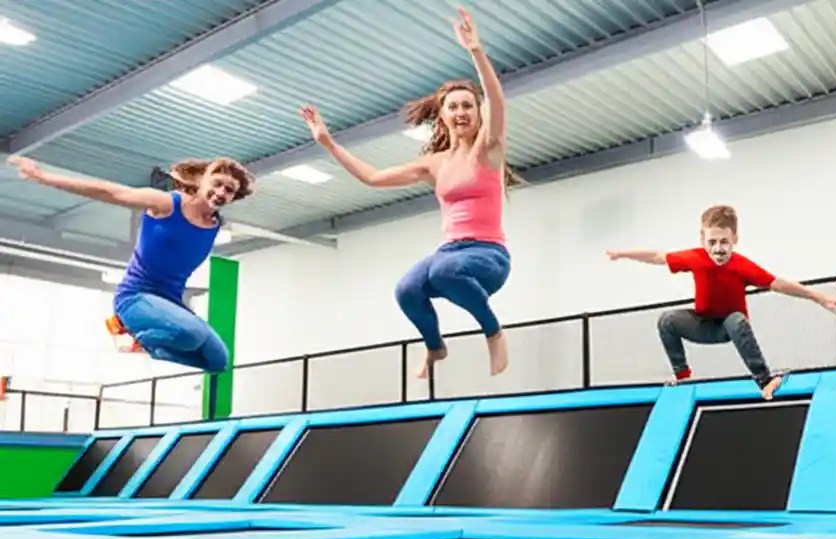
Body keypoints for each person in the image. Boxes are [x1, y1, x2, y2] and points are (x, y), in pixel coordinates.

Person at [300, 7, 514, 379]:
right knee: (406, 289)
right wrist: (329, 143)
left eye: (468, 106)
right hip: (449, 254)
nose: (461, 112)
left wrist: (476, 51)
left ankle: (493, 332)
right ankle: (435, 346)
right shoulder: (434, 163)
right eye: (454, 107)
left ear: (477, 113)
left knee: (445, 269)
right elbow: (373, 177)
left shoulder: (488, 149)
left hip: (488, 257)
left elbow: (496, 100)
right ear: (444, 115)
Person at [6, 155, 253, 373]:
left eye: (229, 190)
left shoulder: (214, 225)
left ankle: (154, 348)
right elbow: (111, 192)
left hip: (170, 302)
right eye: (217, 184)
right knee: (192, 336)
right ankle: (134, 332)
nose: (220, 193)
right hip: (135, 297)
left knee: (218, 361)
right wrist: (43, 177)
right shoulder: (167, 204)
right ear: (202, 181)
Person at [608, 205, 836, 400]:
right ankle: (682, 377)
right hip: (701, 324)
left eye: (724, 242)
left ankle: (764, 380)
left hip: (730, 328)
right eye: (712, 242)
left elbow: (780, 284)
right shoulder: (695, 258)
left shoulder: (742, 266)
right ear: (702, 239)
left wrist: (820, 297)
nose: (718, 249)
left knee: (737, 320)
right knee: (667, 320)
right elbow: (657, 257)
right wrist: (623, 253)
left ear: (734, 238)